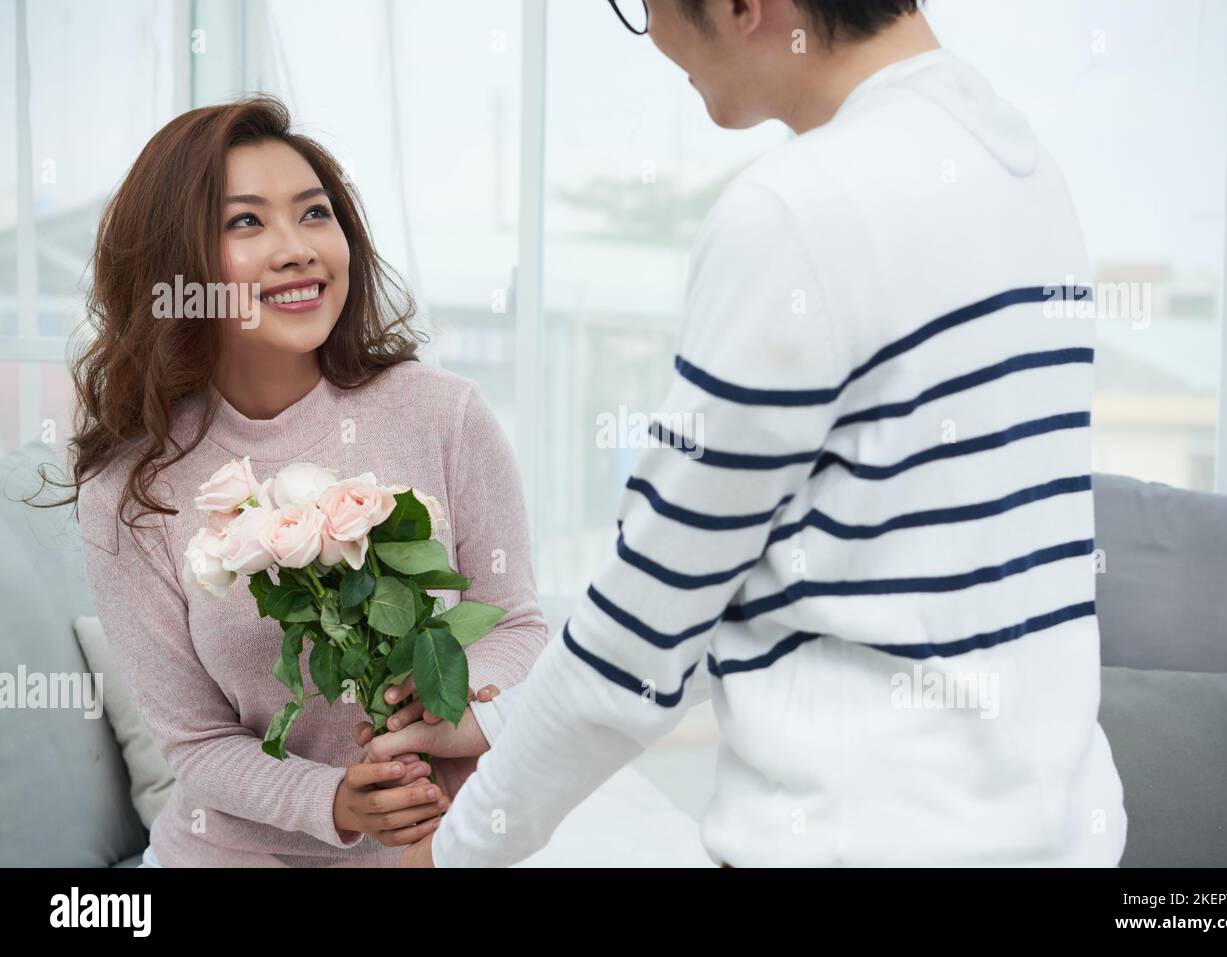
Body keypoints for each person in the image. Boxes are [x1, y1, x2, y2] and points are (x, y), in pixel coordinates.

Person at [383, 0, 1127, 867]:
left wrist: (453, 851)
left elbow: (645, 627)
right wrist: (500, 715)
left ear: (743, 8)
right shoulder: (1025, 172)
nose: (652, 35)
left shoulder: (798, 211)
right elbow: (765, 573)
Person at [57, 95, 547, 866]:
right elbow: (195, 741)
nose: (297, 249)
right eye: (245, 222)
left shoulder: (443, 414)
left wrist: (446, 701)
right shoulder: (128, 491)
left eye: (314, 214)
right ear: (174, 264)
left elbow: (517, 626)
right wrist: (333, 801)